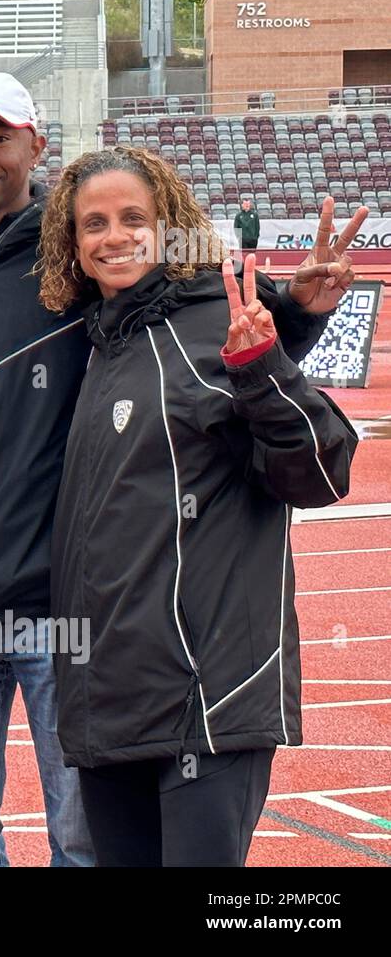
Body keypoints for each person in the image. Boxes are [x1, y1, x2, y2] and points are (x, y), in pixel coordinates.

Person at [0, 71, 352, 867]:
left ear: (36, 146)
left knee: (82, 842)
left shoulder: (109, 286)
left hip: (66, 607)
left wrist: (292, 317)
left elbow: (224, 342)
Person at [37, 146, 359, 866]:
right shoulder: (97, 342)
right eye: (94, 223)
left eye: (132, 218)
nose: (113, 236)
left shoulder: (212, 319)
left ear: (170, 225)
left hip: (206, 699)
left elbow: (322, 466)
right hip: (109, 701)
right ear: (73, 244)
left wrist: (265, 369)